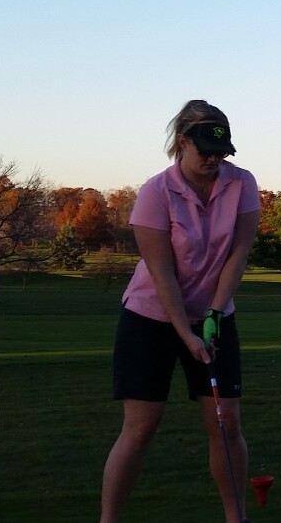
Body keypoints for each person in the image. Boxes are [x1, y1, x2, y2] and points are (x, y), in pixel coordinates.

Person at [101, 100, 261, 523]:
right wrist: (185, 332)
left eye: (221, 153)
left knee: (226, 424)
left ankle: (236, 518)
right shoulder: (156, 192)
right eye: (205, 150)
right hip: (150, 317)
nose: (213, 160)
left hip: (213, 315)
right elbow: (162, 272)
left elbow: (238, 254)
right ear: (182, 142)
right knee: (141, 427)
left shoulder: (242, 184)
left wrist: (213, 315)